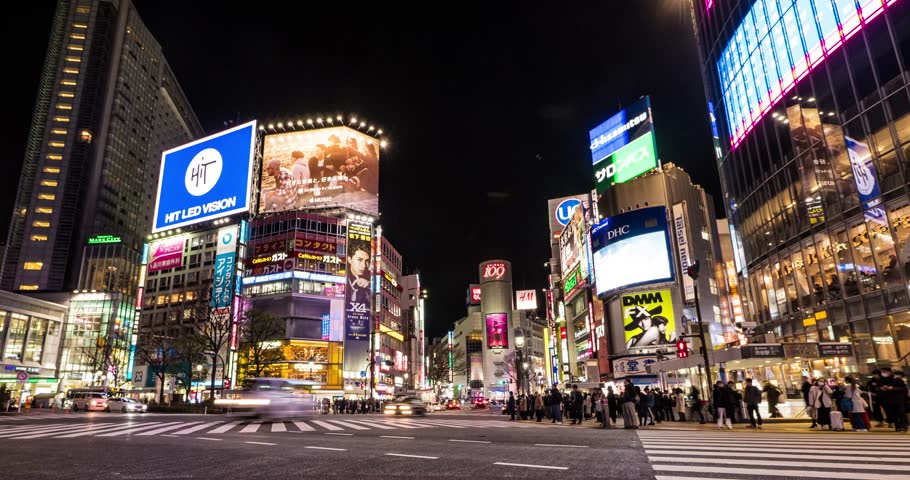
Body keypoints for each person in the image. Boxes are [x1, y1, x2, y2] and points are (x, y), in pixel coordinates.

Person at [878, 367, 908, 432]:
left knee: (901, 413)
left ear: (889, 372)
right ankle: (897, 427)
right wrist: (882, 389)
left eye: (885, 372)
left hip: (898, 399)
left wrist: (893, 388)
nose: (883, 373)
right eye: (882, 372)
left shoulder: (897, 379)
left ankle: (904, 426)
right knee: (892, 414)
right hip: (888, 400)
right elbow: (879, 390)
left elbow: (904, 389)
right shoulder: (882, 380)